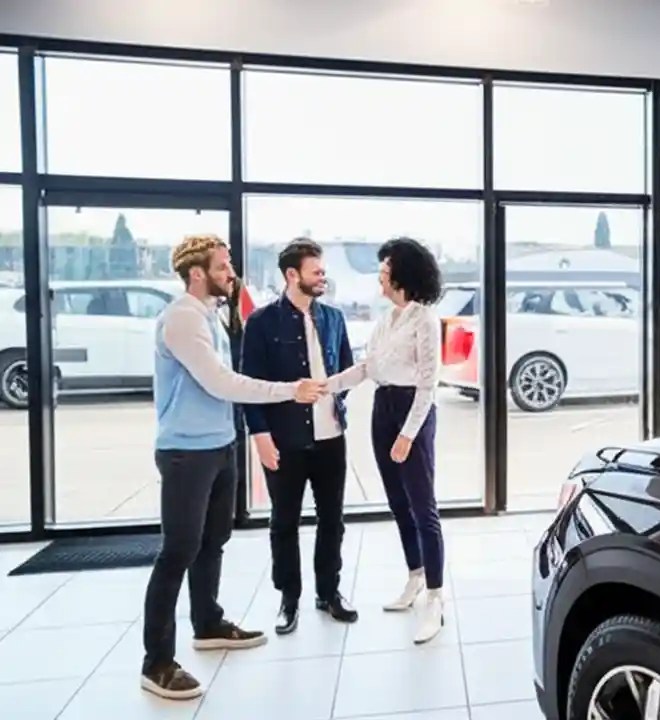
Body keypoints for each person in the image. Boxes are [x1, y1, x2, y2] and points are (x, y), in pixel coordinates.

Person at [142, 234, 327, 700]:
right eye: (224, 266)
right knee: (178, 552)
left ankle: (207, 622)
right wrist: (289, 389)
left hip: (219, 446)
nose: (232, 272)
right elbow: (221, 382)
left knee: (213, 542)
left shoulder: (208, 316)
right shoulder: (183, 318)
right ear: (198, 273)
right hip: (186, 453)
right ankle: (157, 662)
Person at [324, 237, 445, 644]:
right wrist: (328, 386)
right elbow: (367, 367)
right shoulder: (387, 318)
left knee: (423, 507)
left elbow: (428, 384)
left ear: (402, 274)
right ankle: (414, 576)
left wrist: (409, 435)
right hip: (383, 408)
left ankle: (435, 598)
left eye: (384, 269)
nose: (380, 276)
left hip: (413, 410)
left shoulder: (424, 319)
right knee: (398, 503)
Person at [240, 238, 359, 635]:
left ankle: (330, 592)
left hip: (331, 438)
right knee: (284, 521)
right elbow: (249, 387)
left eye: (323, 271)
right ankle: (288, 598)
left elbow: (345, 370)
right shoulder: (260, 323)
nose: (322, 276)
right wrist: (260, 435)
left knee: (333, 520)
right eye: (316, 271)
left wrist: (337, 393)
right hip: (284, 439)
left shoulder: (334, 319)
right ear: (292, 275)